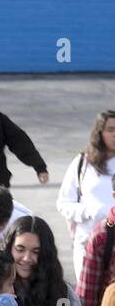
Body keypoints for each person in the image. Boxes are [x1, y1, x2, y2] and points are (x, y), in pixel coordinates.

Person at [56, 109, 115, 278]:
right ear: (99, 133)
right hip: (87, 245)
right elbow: (63, 203)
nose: (114, 134)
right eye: (110, 130)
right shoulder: (83, 162)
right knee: (86, 300)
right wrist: (87, 211)